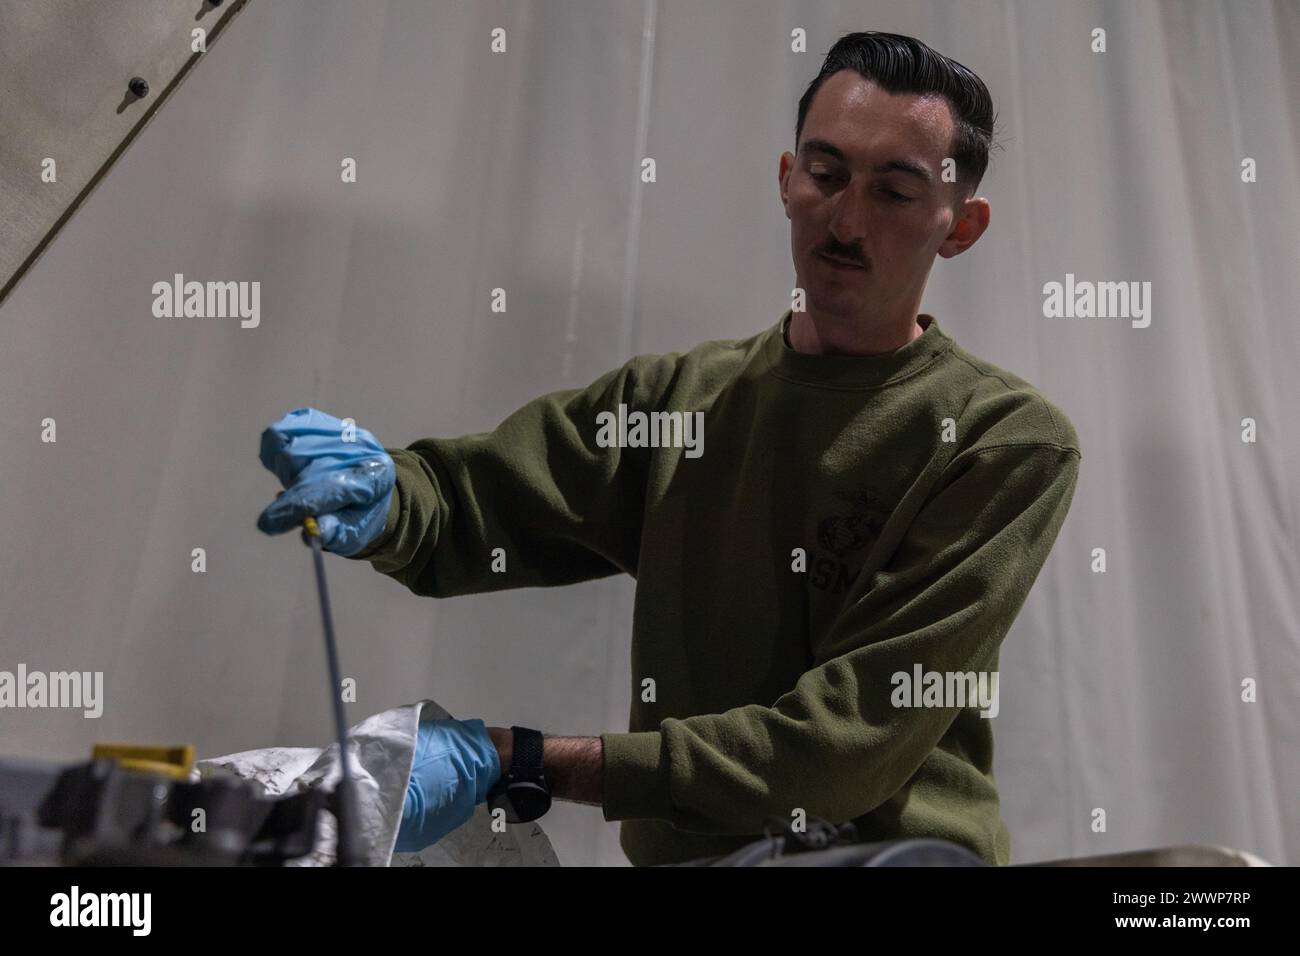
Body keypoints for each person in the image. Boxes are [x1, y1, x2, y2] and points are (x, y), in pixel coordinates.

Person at [257, 31, 1081, 866]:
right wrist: (386, 494)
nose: (846, 219)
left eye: (897, 192)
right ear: (787, 178)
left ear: (960, 226)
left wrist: (525, 761)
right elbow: (472, 504)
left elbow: (838, 750)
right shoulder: (678, 406)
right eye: (826, 175)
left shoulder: (1001, 439)